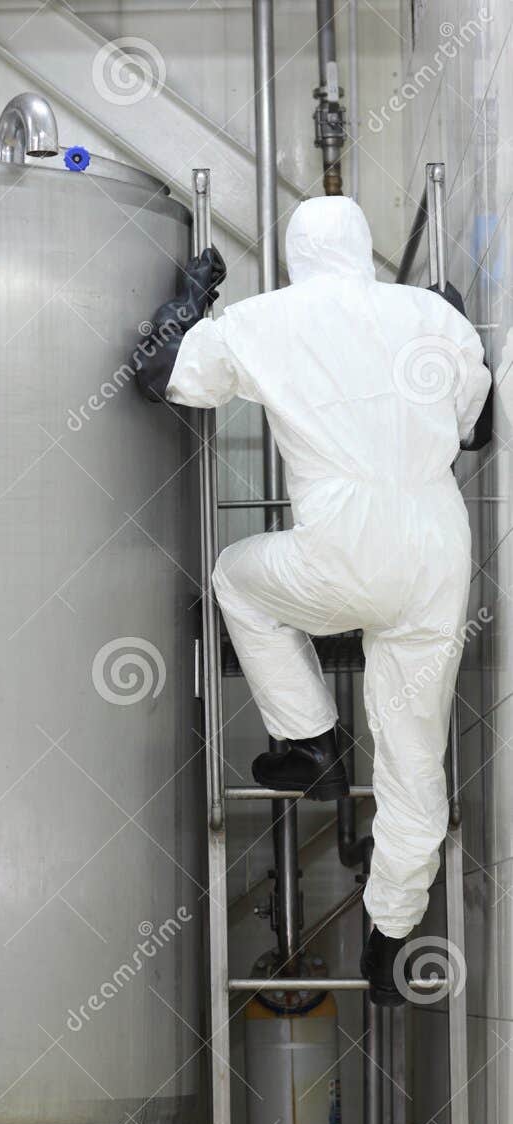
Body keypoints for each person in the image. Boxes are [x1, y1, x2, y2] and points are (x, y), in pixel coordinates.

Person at [134, 195, 492, 1004]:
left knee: (237, 578)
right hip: (438, 552)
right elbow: (474, 426)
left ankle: (311, 741)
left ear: (295, 255)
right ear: (365, 249)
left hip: (340, 545)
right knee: (411, 754)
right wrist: (447, 320)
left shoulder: (267, 318)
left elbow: (161, 376)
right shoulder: (428, 316)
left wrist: (188, 304)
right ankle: (389, 942)